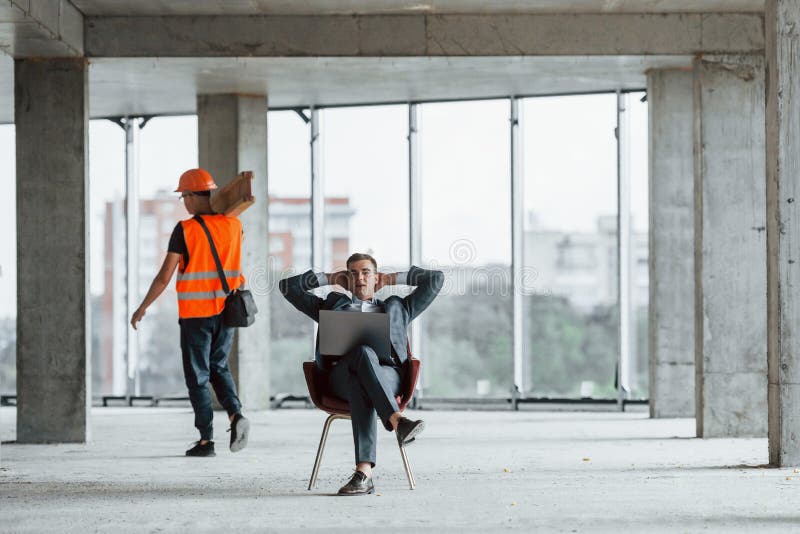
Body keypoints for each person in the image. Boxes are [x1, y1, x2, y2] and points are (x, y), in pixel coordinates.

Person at [280, 253, 444, 495]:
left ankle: (364, 473)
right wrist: (330, 278)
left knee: (363, 377)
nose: (359, 277)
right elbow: (288, 287)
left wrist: (393, 279)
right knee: (362, 355)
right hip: (340, 379)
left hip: (388, 376)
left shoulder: (399, 307)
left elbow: (436, 280)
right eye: (353, 273)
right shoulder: (331, 305)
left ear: (376, 276)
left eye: (366, 272)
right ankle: (397, 421)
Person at [130, 168, 250, 458]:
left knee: (197, 376)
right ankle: (235, 415)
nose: (183, 201)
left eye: (185, 195)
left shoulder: (185, 230)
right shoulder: (234, 226)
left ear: (197, 196)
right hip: (228, 310)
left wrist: (143, 306)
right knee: (218, 367)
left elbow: (164, 277)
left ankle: (206, 440)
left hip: (197, 315)